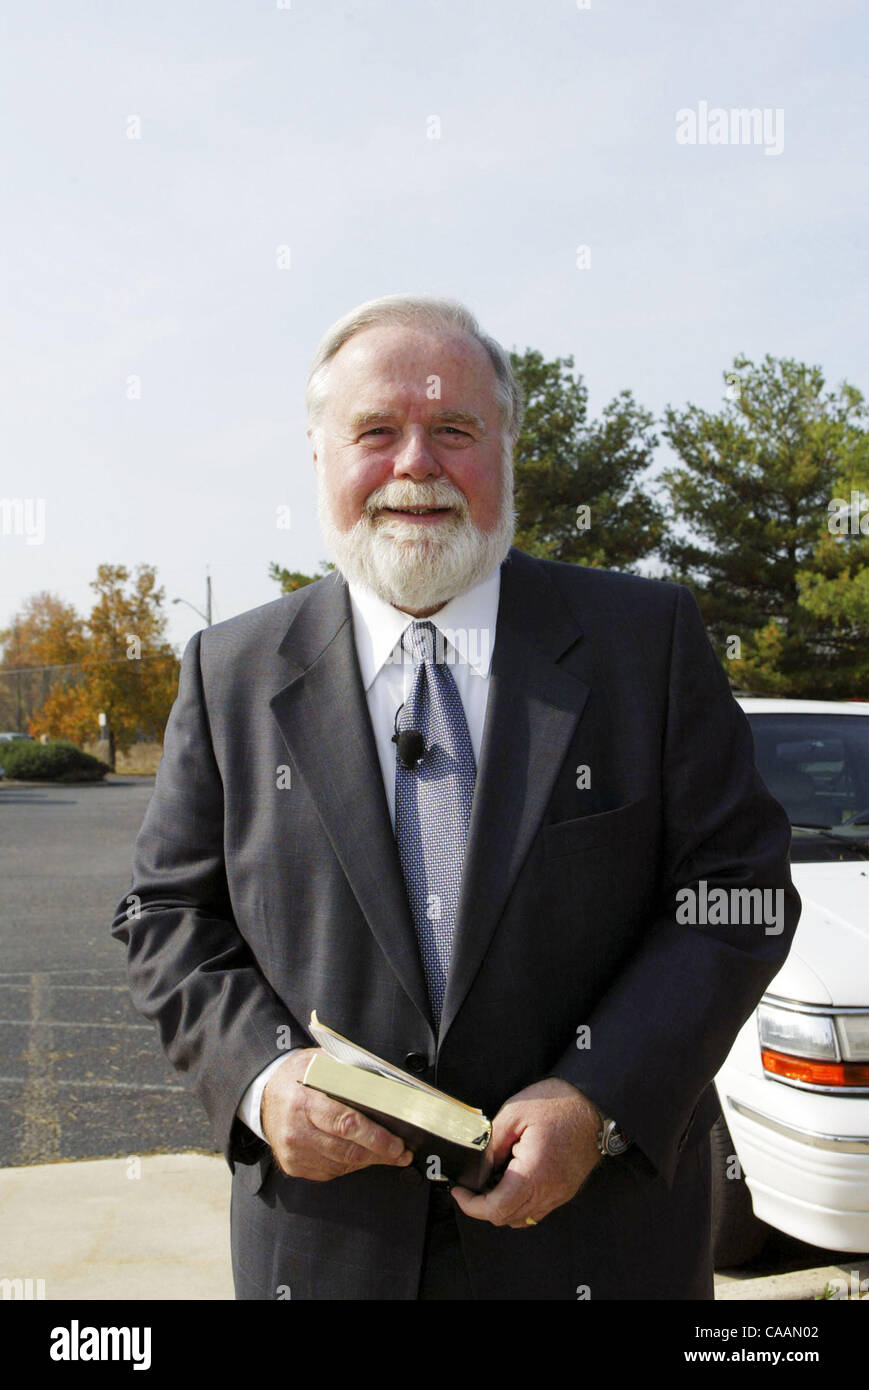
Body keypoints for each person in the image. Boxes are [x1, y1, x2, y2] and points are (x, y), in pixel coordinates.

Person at [112, 294, 800, 1300]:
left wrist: (595, 1098)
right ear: (319, 457)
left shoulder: (641, 643)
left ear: (507, 449)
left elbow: (735, 895)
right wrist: (261, 1080)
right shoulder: (231, 673)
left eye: (454, 431)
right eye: (376, 432)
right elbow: (164, 912)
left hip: (600, 1243)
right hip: (326, 1252)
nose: (414, 465)